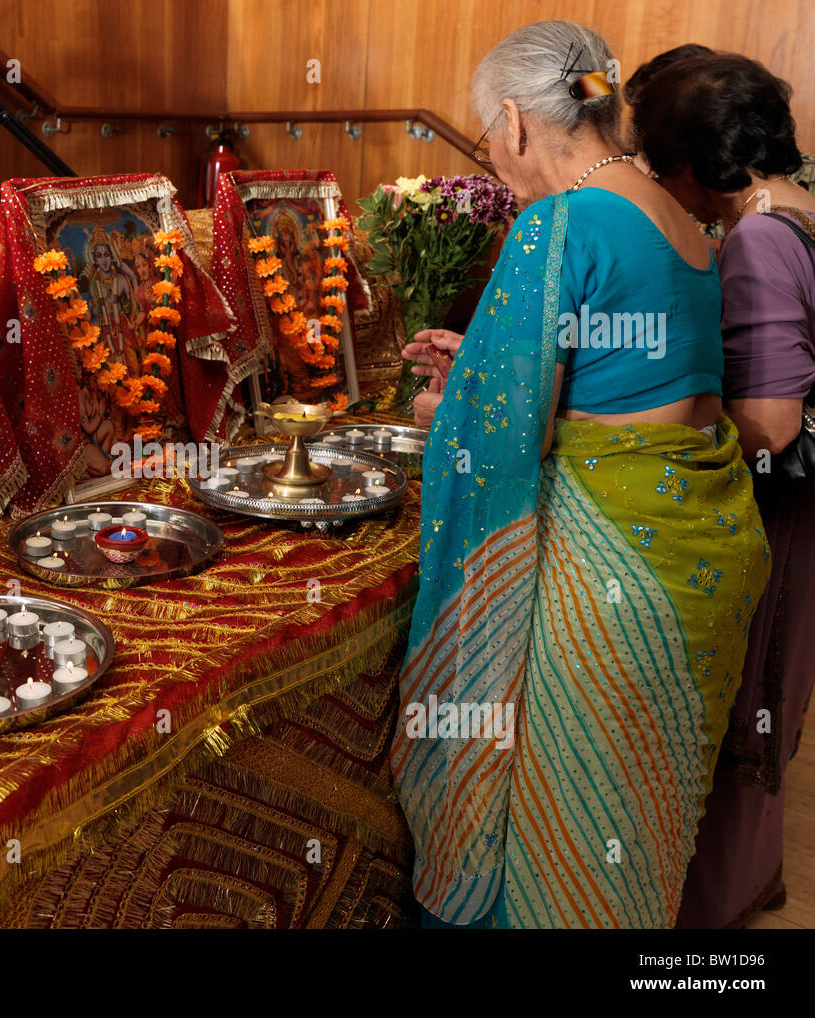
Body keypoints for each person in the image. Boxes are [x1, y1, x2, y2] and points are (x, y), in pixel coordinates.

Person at [391, 20, 770, 928]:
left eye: (489, 139)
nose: (493, 161)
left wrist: (450, 411)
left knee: (559, 849)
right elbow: (634, 382)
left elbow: (501, 438)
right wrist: (485, 361)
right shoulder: (682, 214)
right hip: (698, 557)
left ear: (516, 122)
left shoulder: (555, 225)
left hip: (612, 585)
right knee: (630, 842)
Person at [634, 52, 815, 928]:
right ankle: (747, 881)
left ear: (701, 160)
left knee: (750, 699)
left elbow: (774, 423)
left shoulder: (758, 238)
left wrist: (671, 430)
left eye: (665, 166)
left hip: (778, 512)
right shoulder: (801, 210)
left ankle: (707, 915)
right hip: (799, 515)